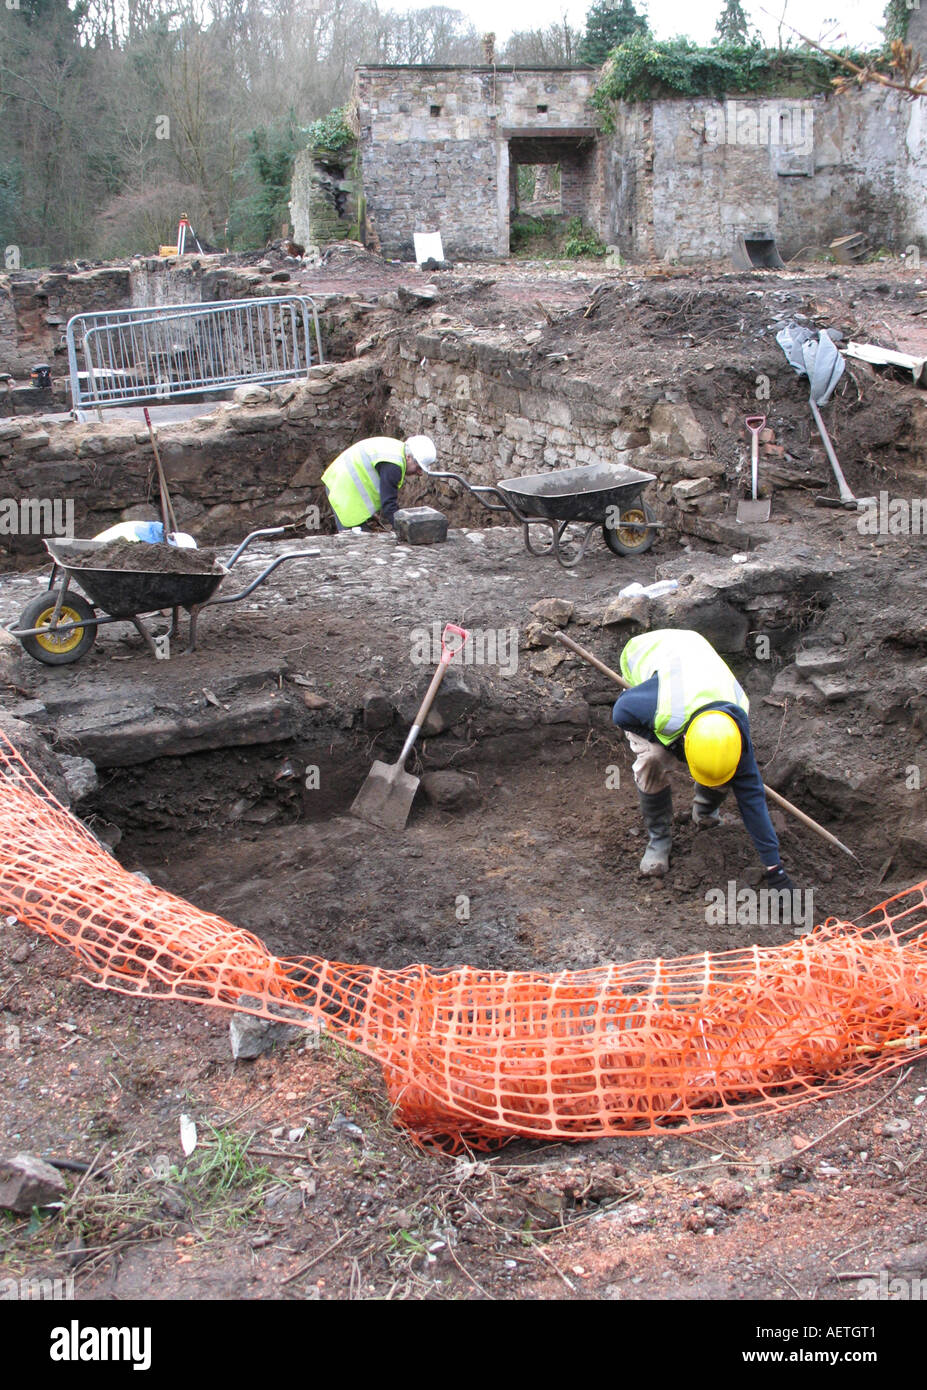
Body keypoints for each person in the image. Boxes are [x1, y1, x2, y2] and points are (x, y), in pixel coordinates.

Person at [611, 628, 794, 892]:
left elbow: (752, 799)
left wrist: (774, 868)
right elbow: (621, 713)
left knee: (720, 767)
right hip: (646, 654)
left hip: (694, 659)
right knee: (653, 757)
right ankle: (659, 839)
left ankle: (705, 813)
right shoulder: (659, 707)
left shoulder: (734, 735)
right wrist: (665, 742)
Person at [321, 435, 436, 531]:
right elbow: (388, 506)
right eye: (418, 467)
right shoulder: (393, 466)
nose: (420, 473)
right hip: (343, 490)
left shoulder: (396, 450)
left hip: (339, 480)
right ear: (409, 457)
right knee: (355, 544)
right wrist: (406, 530)